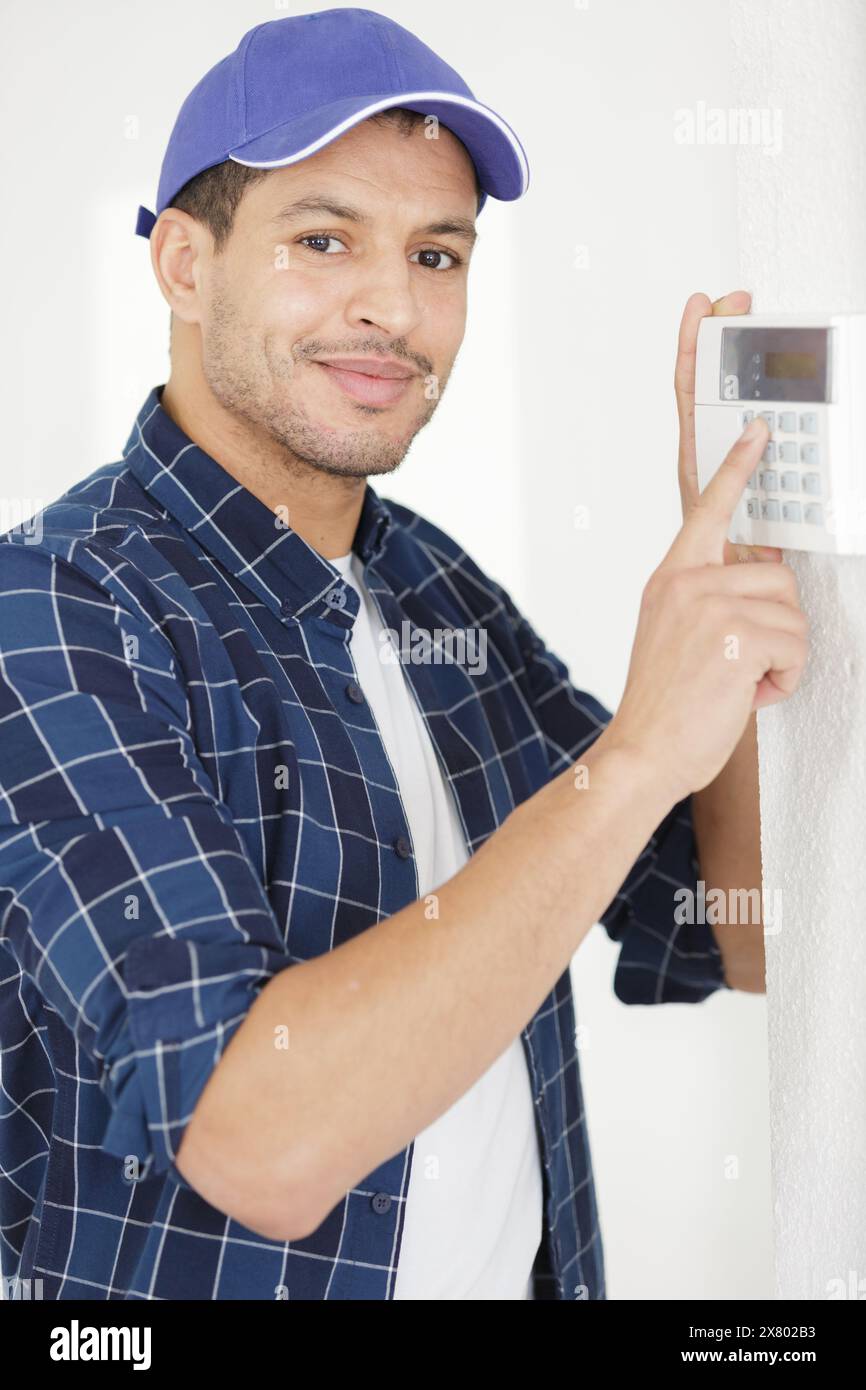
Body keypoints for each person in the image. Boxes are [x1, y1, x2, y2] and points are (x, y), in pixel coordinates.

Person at [0, 8, 805, 1301]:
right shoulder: (51, 608)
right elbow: (262, 1142)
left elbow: (735, 928)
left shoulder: (436, 594)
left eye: (438, 254)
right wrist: (641, 749)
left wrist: (740, 606)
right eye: (323, 240)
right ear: (183, 265)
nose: (392, 306)